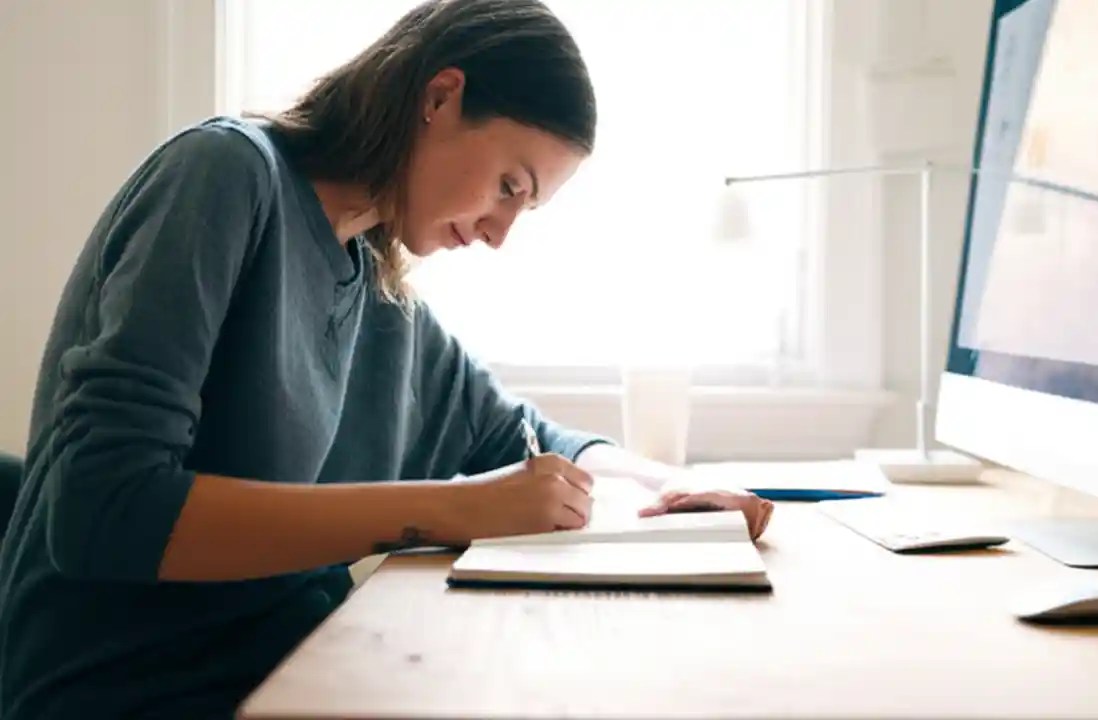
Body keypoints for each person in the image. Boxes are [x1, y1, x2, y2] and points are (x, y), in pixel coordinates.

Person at [0, 0, 772, 717]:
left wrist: (680, 487)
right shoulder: (226, 176)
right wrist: (456, 508)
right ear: (439, 98)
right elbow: (104, 509)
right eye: (508, 185)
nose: (500, 232)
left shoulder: (377, 292)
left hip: (287, 664)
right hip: (125, 690)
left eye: (524, 207)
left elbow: (530, 439)